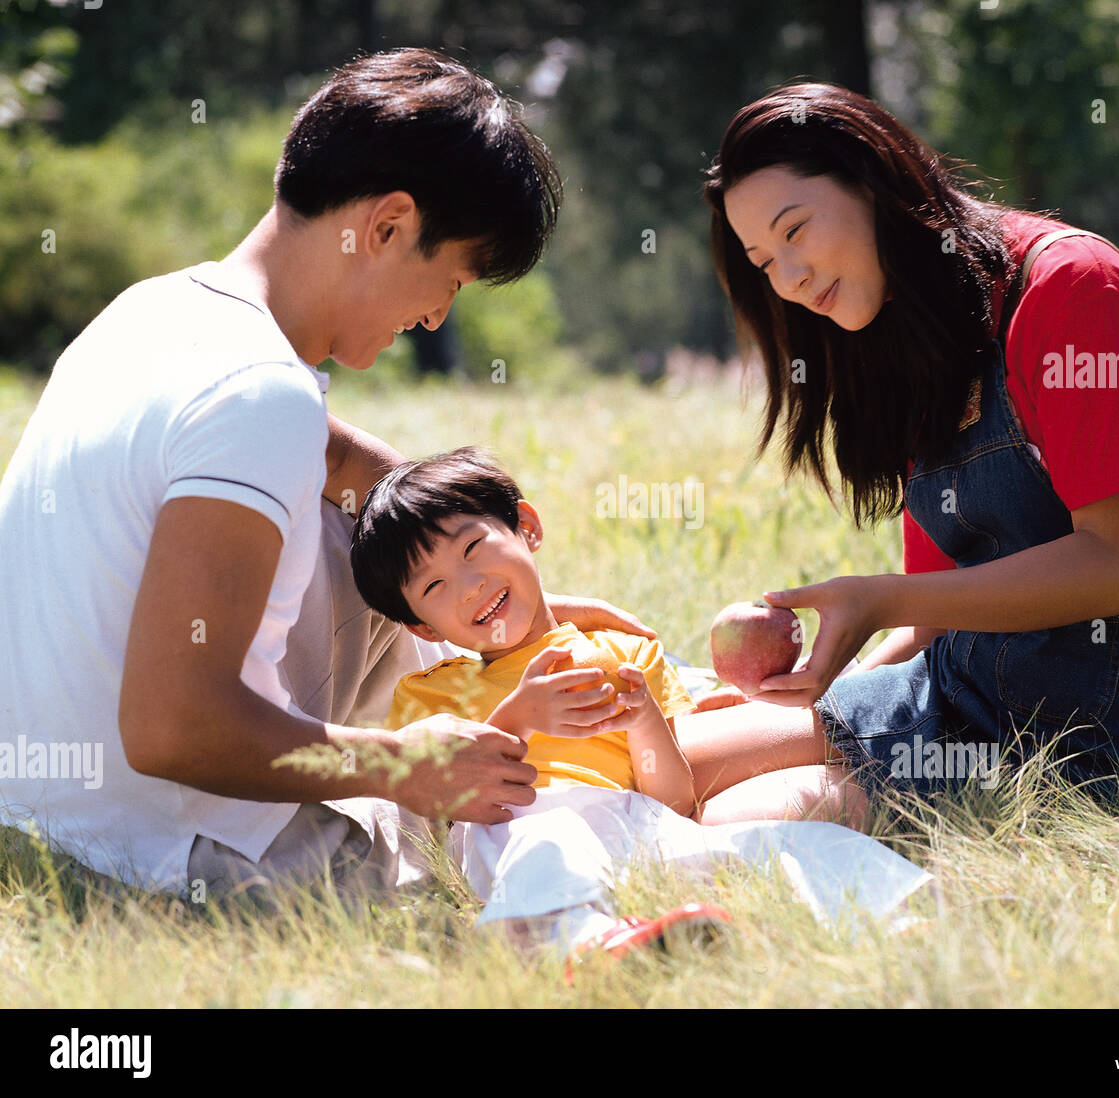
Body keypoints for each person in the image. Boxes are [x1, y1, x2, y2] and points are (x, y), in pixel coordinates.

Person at [0, 48, 650, 900]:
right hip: (160, 848)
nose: (435, 315)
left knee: (381, 530)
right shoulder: (259, 396)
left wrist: (520, 606)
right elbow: (168, 727)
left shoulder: (157, 311)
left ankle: (504, 702)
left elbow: (349, 467)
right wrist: (402, 764)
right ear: (386, 227)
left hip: (35, 805)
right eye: (448, 277)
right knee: (522, 873)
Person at [692, 82, 1119, 794]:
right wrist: (818, 690)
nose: (789, 279)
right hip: (963, 693)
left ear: (873, 181)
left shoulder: (1076, 289)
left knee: (746, 812)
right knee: (673, 766)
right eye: (764, 263)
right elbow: (932, 612)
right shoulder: (916, 333)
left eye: (794, 231)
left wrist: (880, 599)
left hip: (1117, 731)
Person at [347, 446, 930, 951]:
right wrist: (517, 719)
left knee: (780, 844)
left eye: (473, 548)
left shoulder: (623, 655)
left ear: (527, 527)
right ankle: (563, 943)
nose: (469, 585)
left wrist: (646, 721)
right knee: (550, 835)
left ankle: (892, 916)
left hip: (632, 824)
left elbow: (675, 799)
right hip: (517, 832)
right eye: (433, 586)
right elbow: (437, 818)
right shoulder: (433, 690)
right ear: (422, 628)